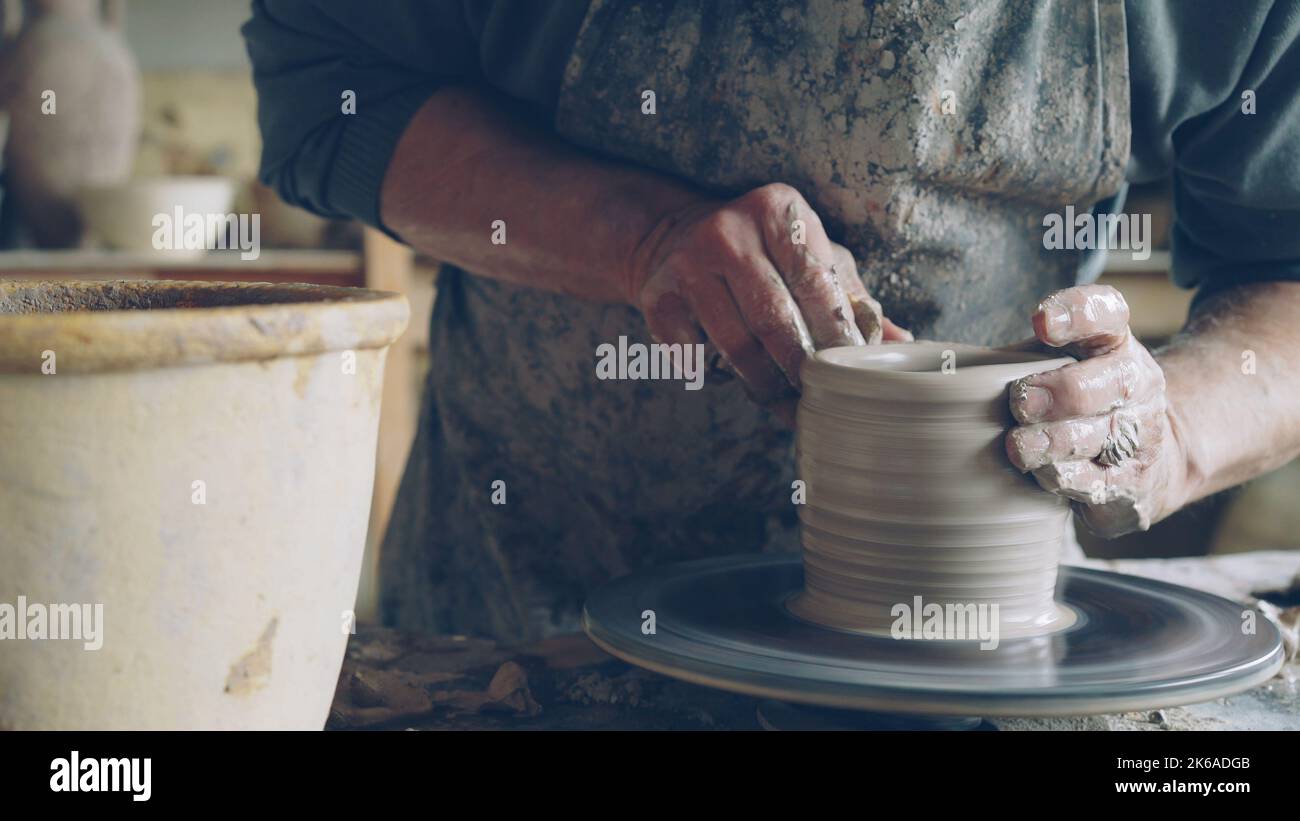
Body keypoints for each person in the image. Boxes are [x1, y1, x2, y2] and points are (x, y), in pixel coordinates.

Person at [243, 0, 1300, 643]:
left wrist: (1172, 434)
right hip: (539, 613)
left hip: (977, 630)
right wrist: (638, 236)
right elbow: (327, 93)